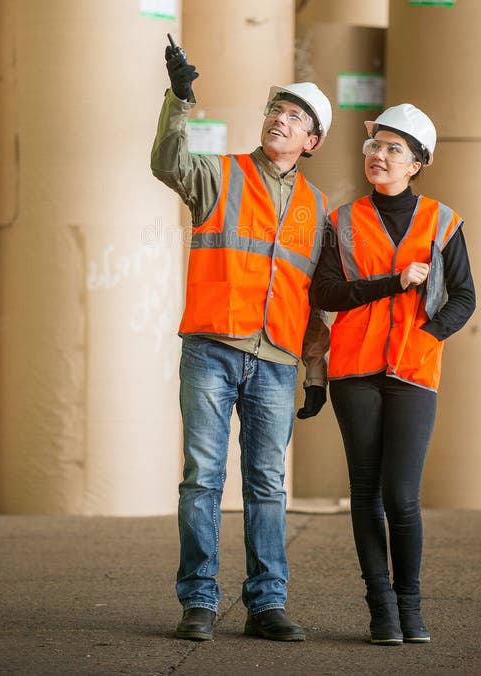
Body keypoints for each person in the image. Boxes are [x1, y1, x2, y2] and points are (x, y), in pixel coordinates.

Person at [150, 37, 332, 643]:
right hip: (212, 347)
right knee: (202, 477)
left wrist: (315, 369)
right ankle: (198, 600)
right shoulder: (219, 174)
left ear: (312, 142)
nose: (282, 119)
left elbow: (312, 297)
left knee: (267, 485)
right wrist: (181, 100)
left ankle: (266, 604)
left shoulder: (316, 207)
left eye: (297, 117)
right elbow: (167, 163)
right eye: (277, 110)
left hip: (278, 361)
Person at [306, 103, 476, 646]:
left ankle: (411, 608)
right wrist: (392, 282)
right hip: (354, 370)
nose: (378, 156)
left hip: (413, 373)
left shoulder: (442, 222)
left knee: (401, 495)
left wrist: (425, 338)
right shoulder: (342, 221)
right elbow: (326, 293)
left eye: (392, 149)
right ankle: (380, 609)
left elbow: (464, 298)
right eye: (374, 146)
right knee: (365, 492)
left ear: (416, 163)